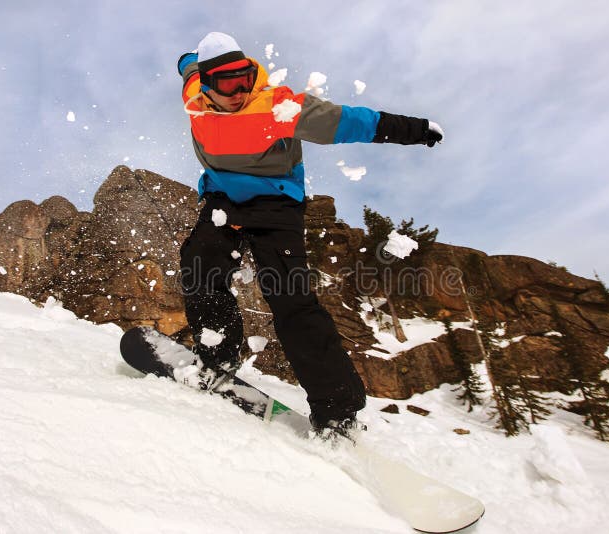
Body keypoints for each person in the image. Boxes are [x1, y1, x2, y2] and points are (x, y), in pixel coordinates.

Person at [177, 32, 443, 438]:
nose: (239, 91)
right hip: (222, 200)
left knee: (291, 300)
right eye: (227, 84)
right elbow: (189, 64)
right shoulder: (194, 92)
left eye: (245, 79)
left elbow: (353, 121)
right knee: (200, 266)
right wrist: (187, 58)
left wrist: (416, 129)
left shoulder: (279, 106)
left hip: (277, 204)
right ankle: (217, 356)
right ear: (206, 84)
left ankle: (337, 409)